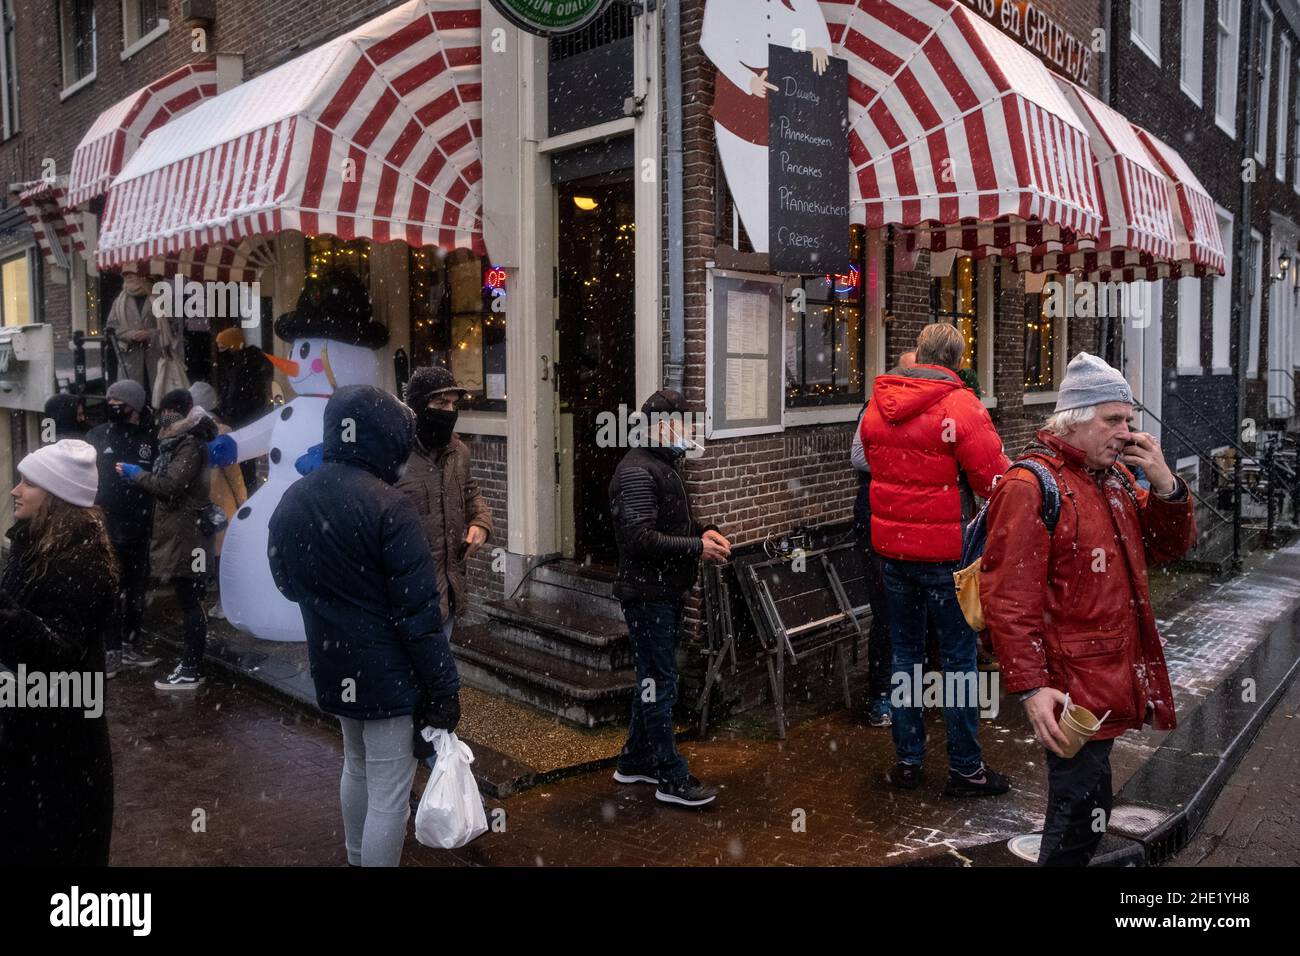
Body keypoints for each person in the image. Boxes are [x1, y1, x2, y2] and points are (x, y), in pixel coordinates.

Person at [980, 352, 1195, 866]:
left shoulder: (1115, 478)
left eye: (1128, 419)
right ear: (1075, 420)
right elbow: (1009, 601)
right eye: (1112, 419)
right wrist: (1031, 688)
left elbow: (1166, 548)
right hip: (1073, 688)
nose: (1125, 431)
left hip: (1110, 676)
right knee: (1075, 818)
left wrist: (1166, 485)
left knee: (1088, 808)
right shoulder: (1031, 487)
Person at [268, 384, 460, 867]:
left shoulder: (294, 499)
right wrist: (443, 690)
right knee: (391, 791)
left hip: (332, 662)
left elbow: (286, 581)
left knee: (355, 765)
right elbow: (419, 615)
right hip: (388, 675)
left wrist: (332, 607)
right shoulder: (390, 507)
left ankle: (355, 859)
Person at [862, 323, 1011, 796]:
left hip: (892, 550)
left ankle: (908, 762)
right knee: (957, 661)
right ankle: (965, 768)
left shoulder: (878, 405)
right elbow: (994, 482)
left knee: (905, 658)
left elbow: (873, 461)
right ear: (956, 360)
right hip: (946, 556)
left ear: (921, 354)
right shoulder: (960, 406)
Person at [608, 389, 730, 808]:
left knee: (654, 679)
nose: (690, 432)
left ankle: (634, 759)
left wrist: (702, 531)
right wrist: (697, 549)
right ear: (661, 427)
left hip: (665, 592)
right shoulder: (638, 471)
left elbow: (673, 522)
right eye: (683, 423)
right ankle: (670, 775)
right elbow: (640, 537)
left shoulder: (663, 464)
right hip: (648, 596)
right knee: (660, 684)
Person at [1, 440, 117, 865]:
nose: (16, 490)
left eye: (27, 483)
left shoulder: (81, 562)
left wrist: (4, 613)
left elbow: (60, 651)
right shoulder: (32, 544)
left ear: (55, 497)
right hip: (29, 734)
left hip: (61, 750)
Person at [117, 388, 217, 690]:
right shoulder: (178, 441)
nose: (165, 416)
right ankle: (190, 665)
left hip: (189, 535)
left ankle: (191, 669)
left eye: (170, 410)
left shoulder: (189, 443)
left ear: (183, 412)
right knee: (190, 599)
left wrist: (137, 475)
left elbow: (172, 484)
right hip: (183, 533)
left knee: (191, 601)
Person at [396, 366, 492, 643]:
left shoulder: (458, 451)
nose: (449, 411)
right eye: (440, 403)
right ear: (418, 405)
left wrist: (481, 524)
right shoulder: (394, 453)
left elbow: (471, 492)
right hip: (406, 599)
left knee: (440, 677)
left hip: (448, 593)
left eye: (452, 404)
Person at [86, 379, 161, 677]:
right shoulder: (96, 435)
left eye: (119, 402)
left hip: (140, 528)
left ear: (135, 407)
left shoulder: (150, 438)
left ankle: (131, 646)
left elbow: (160, 479)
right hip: (105, 528)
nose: (112, 406)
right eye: (110, 401)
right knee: (109, 591)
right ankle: (111, 651)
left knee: (136, 590)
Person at [189, 381, 247, 621]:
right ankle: (224, 603)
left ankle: (197, 605)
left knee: (198, 555)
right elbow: (234, 473)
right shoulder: (222, 431)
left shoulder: (185, 431)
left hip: (194, 504)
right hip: (222, 504)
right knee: (223, 558)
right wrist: (244, 502)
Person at [214, 327, 272, 493]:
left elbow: (236, 400)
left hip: (240, 427)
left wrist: (227, 420)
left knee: (241, 472)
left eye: (223, 348)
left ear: (232, 347)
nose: (220, 353)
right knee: (244, 472)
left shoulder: (241, 369)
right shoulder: (242, 366)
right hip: (245, 425)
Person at [105, 271, 162, 395]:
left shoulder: (159, 298)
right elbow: (111, 327)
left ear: (144, 276)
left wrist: (150, 334)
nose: (127, 277)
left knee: (158, 397)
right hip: (131, 359)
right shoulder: (119, 301)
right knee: (132, 399)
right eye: (125, 275)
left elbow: (172, 327)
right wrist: (130, 335)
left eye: (132, 273)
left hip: (156, 357)